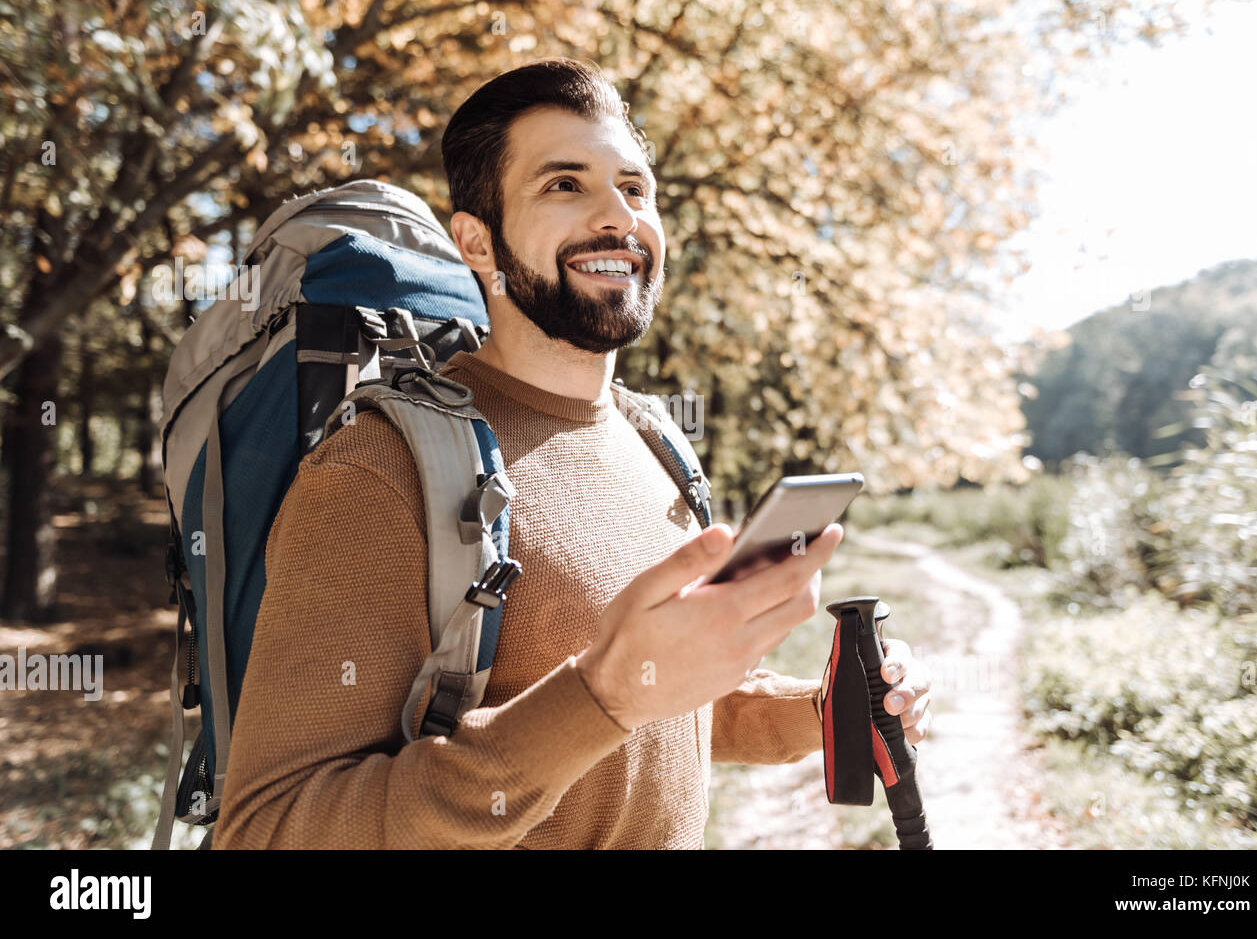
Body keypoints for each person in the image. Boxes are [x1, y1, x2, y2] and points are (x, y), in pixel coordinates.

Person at [212, 57, 932, 849]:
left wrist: (821, 711)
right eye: (565, 184)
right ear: (476, 242)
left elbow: (665, 709)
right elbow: (270, 828)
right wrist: (602, 692)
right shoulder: (378, 471)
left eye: (634, 187)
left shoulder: (656, 444)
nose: (618, 217)